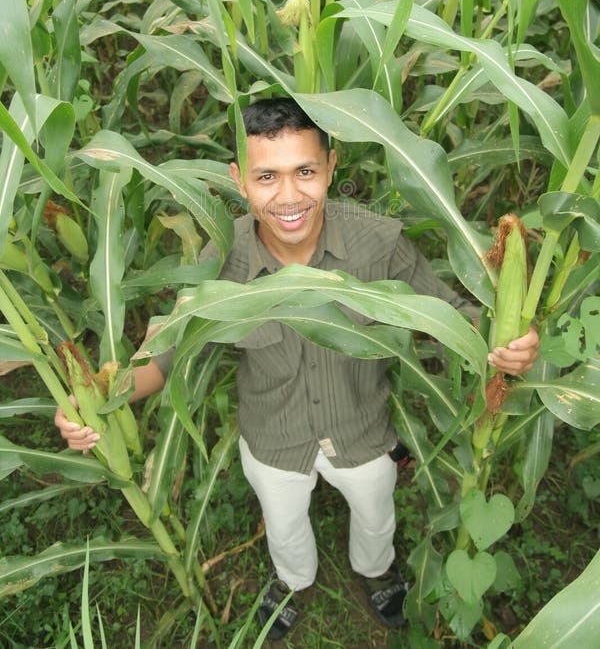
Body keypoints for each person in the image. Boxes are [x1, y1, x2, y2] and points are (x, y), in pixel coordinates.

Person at [56, 97, 539, 639]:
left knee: (376, 515)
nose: (288, 196)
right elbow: (162, 355)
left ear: (330, 167)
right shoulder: (223, 258)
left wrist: (512, 342)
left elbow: (453, 314)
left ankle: (376, 569)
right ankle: (292, 580)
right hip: (273, 439)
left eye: (304, 171)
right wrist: (97, 400)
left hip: (362, 432)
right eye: (267, 176)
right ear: (239, 180)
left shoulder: (378, 243)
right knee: (284, 528)